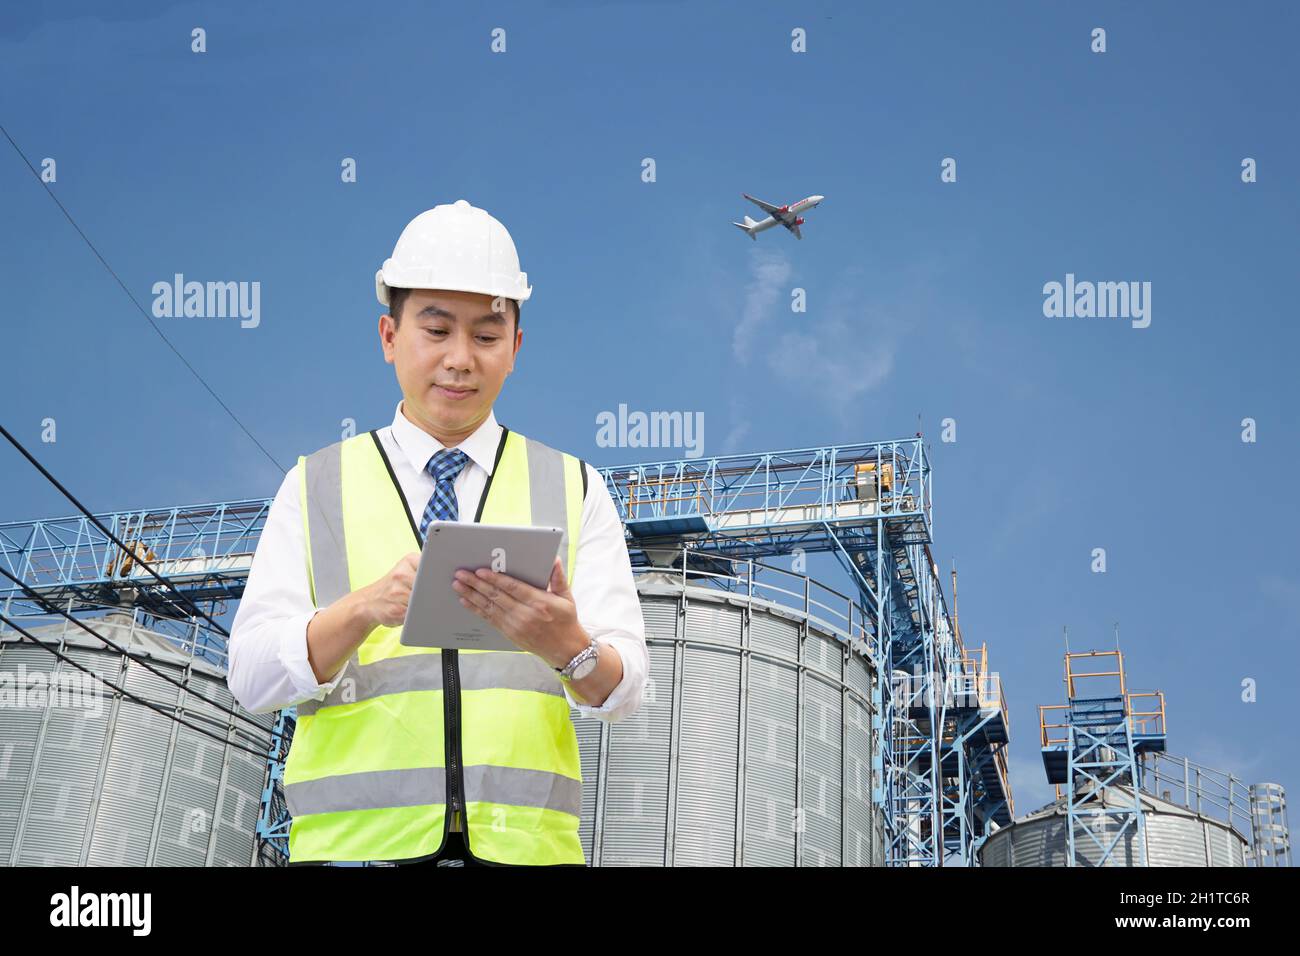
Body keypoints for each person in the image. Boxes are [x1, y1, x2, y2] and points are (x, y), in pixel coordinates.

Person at [227, 199, 648, 867]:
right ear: (389, 337)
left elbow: (625, 694)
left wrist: (567, 646)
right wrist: (362, 610)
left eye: (485, 336)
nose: (459, 360)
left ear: (515, 349)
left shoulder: (573, 487)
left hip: (526, 856)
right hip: (350, 855)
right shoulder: (315, 487)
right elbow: (249, 678)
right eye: (436, 331)